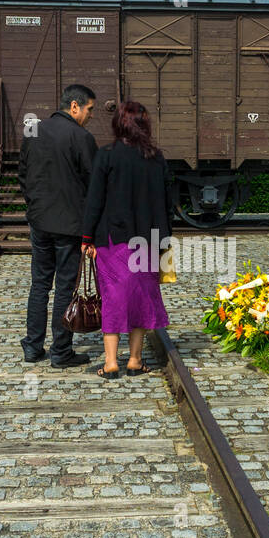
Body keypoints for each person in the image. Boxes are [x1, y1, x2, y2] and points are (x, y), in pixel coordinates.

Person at [80, 100, 171, 380]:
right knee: (141, 297)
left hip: (113, 240)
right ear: (144, 125)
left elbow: (94, 199)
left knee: (113, 298)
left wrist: (86, 237)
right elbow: (166, 204)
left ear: (119, 123)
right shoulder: (157, 158)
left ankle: (110, 363)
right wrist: (165, 244)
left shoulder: (106, 155)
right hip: (148, 240)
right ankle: (134, 360)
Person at [19, 84, 98, 367]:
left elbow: (23, 175)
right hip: (69, 226)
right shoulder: (82, 137)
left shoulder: (33, 130)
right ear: (74, 106)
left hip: (39, 222)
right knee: (65, 287)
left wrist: (33, 207)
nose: (91, 116)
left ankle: (32, 346)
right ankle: (61, 352)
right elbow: (94, 186)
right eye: (89, 109)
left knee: (39, 284)